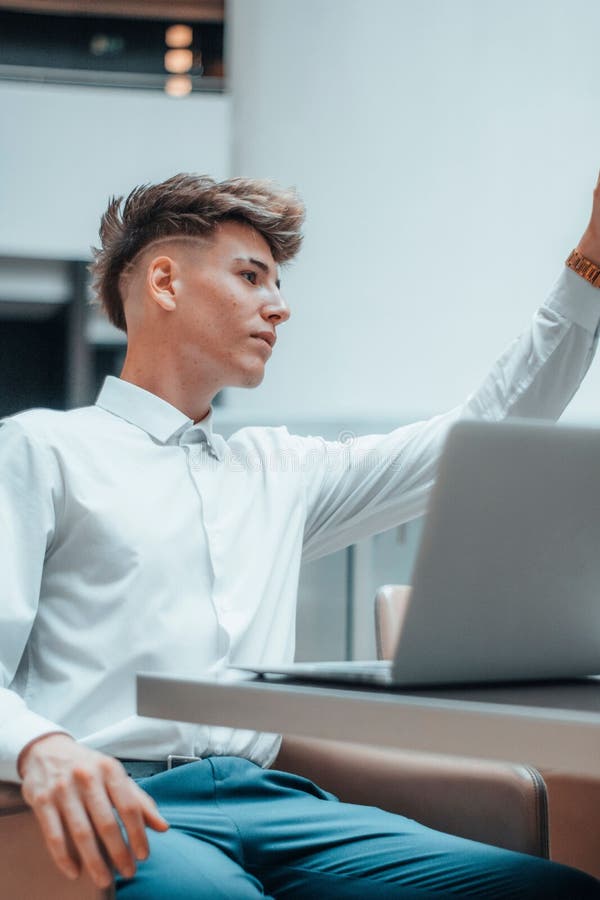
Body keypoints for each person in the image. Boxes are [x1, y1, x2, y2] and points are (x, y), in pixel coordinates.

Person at [2, 172, 600, 899]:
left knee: (550, 890)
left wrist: (590, 265)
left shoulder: (280, 469)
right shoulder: (39, 450)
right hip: (120, 799)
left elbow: (485, 427)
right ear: (164, 282)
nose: (279, 308)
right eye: (251, 277)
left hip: (274, 800)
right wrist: (38, 747)